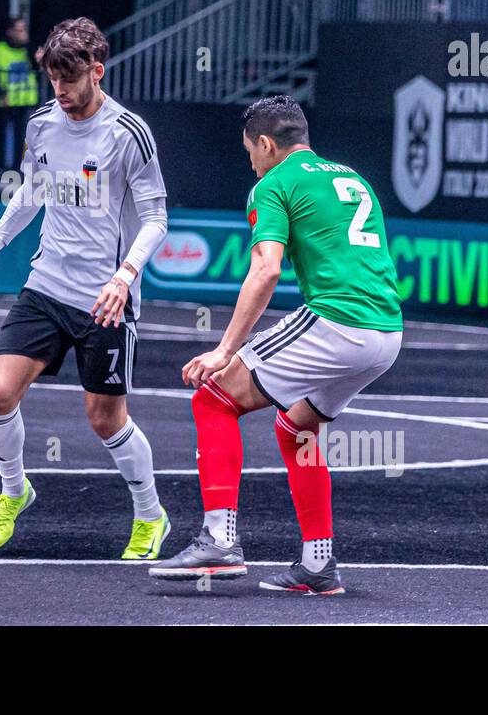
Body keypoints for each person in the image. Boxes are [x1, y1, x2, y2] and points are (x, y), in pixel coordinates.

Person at [149, 95, 402, 593]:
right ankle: (317, 563)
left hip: (339, 321)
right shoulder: (351, 177)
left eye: (250, 152)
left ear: (266, 144)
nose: (251, 162)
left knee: (213, 396)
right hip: (387, 333)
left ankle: (219, 539)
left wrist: (224, 352)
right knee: (296, 429)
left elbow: (265, 269)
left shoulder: (273, 184)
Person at [0, 17, 171, 559]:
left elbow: (156, 219)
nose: (61, 91)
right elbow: (32, 191)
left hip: (106, 298)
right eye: (53, 79)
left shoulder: (129, 134)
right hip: (46, 284)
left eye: (70, 80)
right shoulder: (41, 124)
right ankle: (14, 492)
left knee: (105, 419)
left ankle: (151, 514)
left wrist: (125, 276)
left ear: (97, 71)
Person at [0, 15, 38, 168]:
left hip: (25, 99)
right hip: (4, 100)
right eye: (19, 30)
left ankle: (18, 167)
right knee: (0, 136)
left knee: (23, 138)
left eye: (24, 30)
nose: (23, 34)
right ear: (10, 32)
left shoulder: (28, 50)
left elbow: (40, 68)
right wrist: (0, 93)